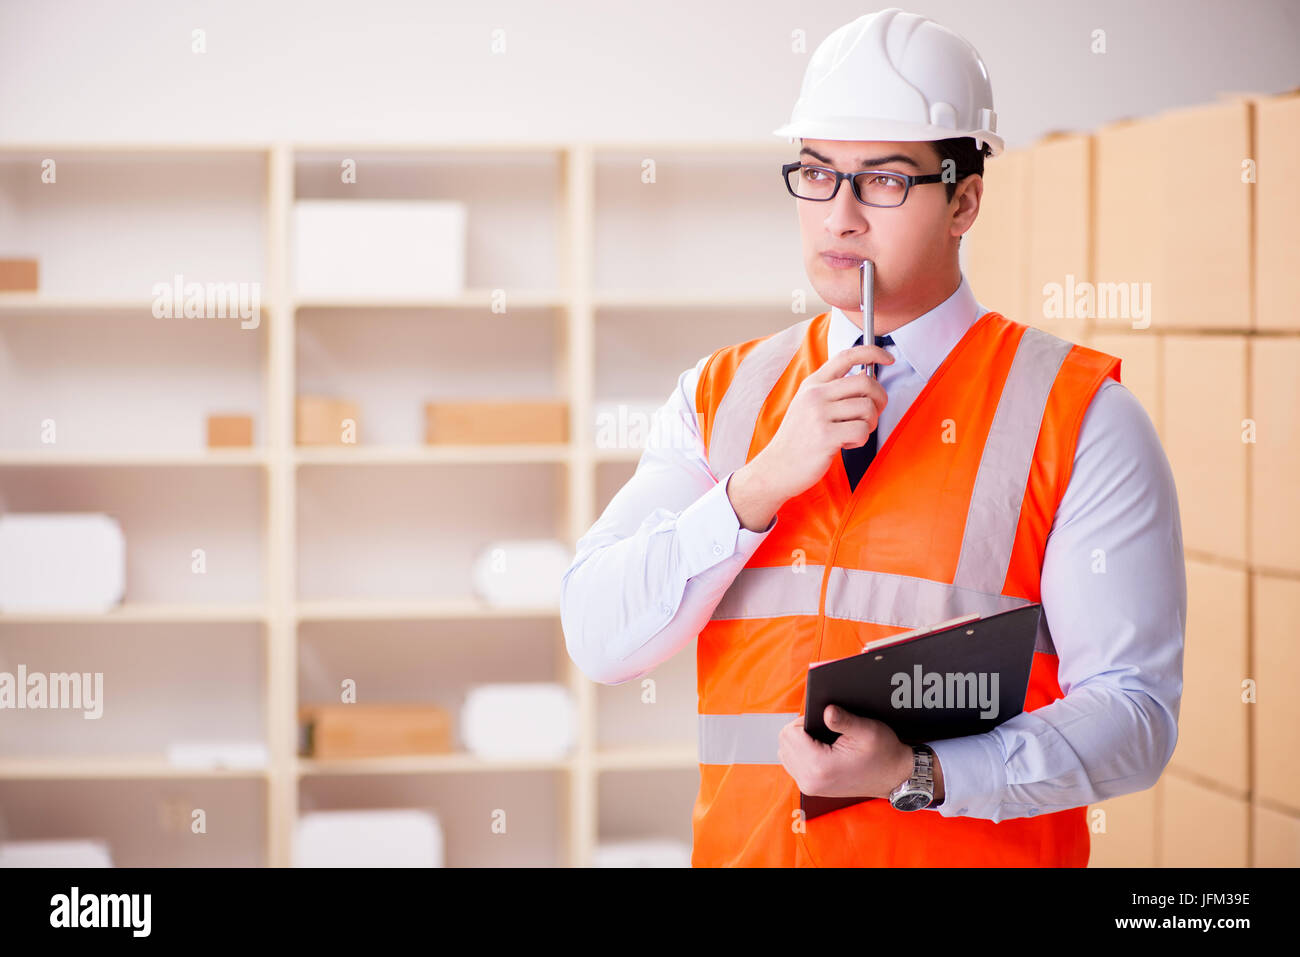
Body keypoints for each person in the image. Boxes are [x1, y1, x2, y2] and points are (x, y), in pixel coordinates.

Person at [561, 7, 1185, 867]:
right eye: (818, 174)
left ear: (964, 198)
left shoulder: (1080, 414)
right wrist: (756, 490)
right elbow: (600, 638)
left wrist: (922, 770)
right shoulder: (718, 397)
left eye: (884, 180)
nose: (840, 216)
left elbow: (1136, 715)